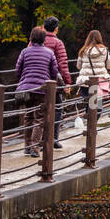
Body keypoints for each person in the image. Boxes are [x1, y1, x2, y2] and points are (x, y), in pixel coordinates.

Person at [15, 27, 60, 157]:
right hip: (42, 89)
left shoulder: (24, 51)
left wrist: (25, 79)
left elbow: (17, 70)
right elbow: (54, 72)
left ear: (31, 38)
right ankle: (35, 148)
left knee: (28, 117)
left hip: (27, 89)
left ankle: (27, 147)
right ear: (43, 39)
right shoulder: (49, 53)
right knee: (39, 118)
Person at [42, 16, 73, 148]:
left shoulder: (34, 41)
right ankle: (53, 138)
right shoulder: (57, 43)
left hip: (37, 81)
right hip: (53, 81)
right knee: (57, 108)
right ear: (56, 29)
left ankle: (37, 140)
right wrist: (67, 82)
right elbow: (62, 64)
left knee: (38, 111)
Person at [75, 30, 110, 121]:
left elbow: (78, 66)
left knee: (89, 104)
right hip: (99, 82)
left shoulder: (83, 51)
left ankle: (89, 125)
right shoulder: (104, 50)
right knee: (97, 106)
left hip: (85, 82)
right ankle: (92, 126)